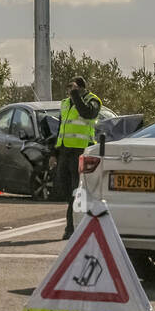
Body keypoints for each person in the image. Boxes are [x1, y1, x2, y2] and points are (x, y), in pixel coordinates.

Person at [55, 76, 102, 240]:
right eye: (69, 88)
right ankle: (74, 226)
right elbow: (61, 128)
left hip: (82, 151)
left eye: (73, 88)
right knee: (67, 191)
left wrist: (76, 95)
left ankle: (73, 228)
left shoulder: (93, 101)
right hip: (65, 152)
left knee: (78, 191)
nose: (69, 91)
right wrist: (54, 154)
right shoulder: (65, 103)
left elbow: (87, 113)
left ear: (81, 88)